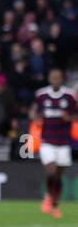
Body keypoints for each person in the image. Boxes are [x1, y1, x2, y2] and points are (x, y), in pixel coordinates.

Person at [31, 66, 75, 218]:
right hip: (47, 140)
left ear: (62, 79)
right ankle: (49, 198)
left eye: (58, 78)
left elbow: (75, 116)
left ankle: (55, 205)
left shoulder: (69, 96)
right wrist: (35, 117)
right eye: (53, 78)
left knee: (58, 175)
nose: (55, 80)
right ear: (49, 79)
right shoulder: (41, 95)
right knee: (51, 171)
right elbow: (34, 111)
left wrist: (68, 118)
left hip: (63, 141)